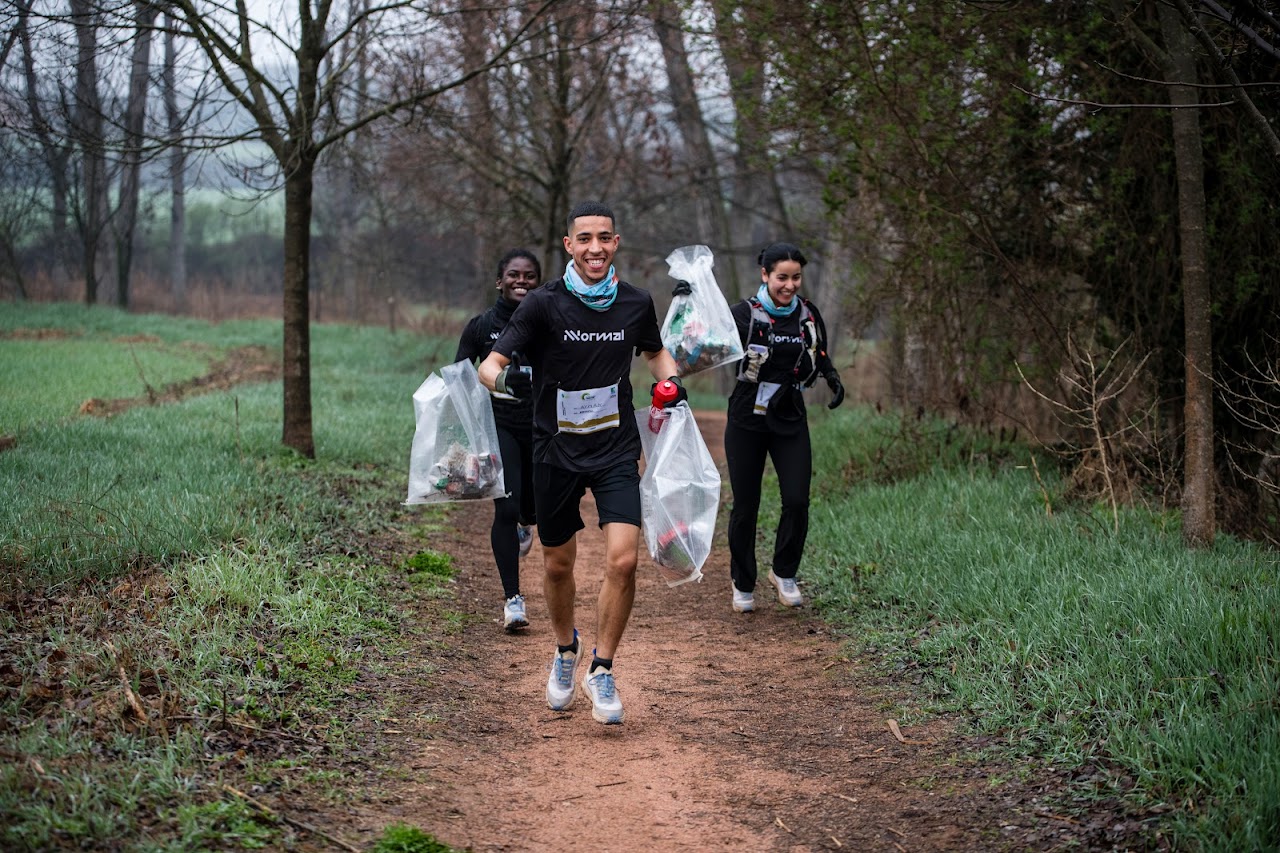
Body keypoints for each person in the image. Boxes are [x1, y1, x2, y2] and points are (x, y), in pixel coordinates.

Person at [478, 201, 685, 725]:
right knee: (557, 564)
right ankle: (565, 649)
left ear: (616, 243)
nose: (596, 248)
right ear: (569, 245)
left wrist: (671, 381)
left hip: (615, 448)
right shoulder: (543, 304)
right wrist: (508, 380)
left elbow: (655, 353)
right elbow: (488, 366)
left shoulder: (635, 302)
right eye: (585, 239)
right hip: (556, 450)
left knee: (623, 560)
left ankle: (603, 667)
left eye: (605, 238)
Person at [723, 242, 844, 613]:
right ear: (765, 275)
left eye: (796, 277)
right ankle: (743, 582)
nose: (789, 285)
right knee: (746, 505)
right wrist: (688, 300)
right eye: (782, 278)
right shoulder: (742, 314)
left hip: (790, 413)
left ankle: (784, 572)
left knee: (796, 499)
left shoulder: (808, 313)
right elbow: (704, 344)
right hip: (747, 415)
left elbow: (818, 352)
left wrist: (832, 377)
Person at [455, 249, 542, 633]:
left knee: (534, 509)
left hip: (542, 426)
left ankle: (527, 522)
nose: (521, 281)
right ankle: (512, 599)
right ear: (499, 281)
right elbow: (458, 375)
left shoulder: (548, 322)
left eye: (529, 276)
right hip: (499, 425)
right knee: (505, 508)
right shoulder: (481, 327)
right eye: (514, 274)